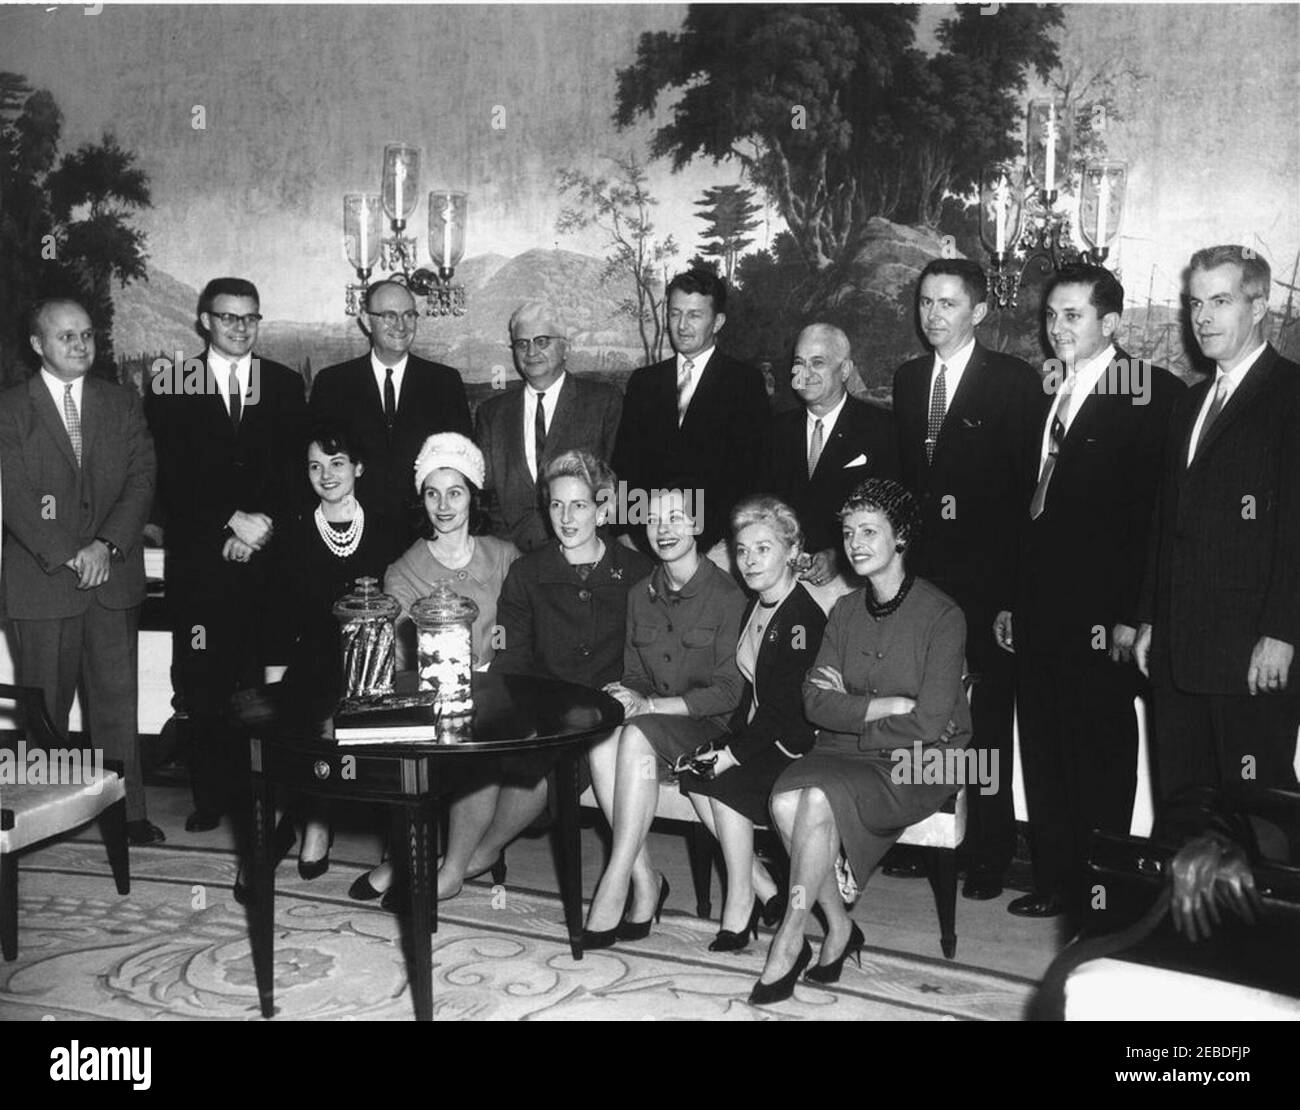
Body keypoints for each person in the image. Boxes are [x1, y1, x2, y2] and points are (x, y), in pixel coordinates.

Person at [995, 264, 1181, 919]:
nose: (1057, 328)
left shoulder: (1150, 392)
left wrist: (1135, 617)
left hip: (1105, 615)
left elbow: (1157, 516)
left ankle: (1103, 891)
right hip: (1040, 609)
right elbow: (1025, 510)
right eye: (1051, 315)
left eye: (1072, 316)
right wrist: (1014, 602)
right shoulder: (1043, 390)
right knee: (1043, 747)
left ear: (1109, 323)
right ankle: (1056, 882)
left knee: (1098, 753)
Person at [751, 479, 971, 1004]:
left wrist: (849, 711)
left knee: (816, 799)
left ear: (901, 538)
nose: (855, 543)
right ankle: (841, 925)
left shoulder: (944, 617)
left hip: (922, 760)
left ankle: (788, 937)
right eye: (848, 532)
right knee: (784, 802)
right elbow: (813, 701)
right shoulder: (845, 612)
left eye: (869, 531)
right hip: (844, 750)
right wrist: (883, 706)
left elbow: (930, 724)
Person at [890, 258, 1040, 899]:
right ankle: (923, 832)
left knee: (986, 723)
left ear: (978, 311)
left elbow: (1028, 496)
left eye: (947, 304)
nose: (933, 316)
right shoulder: (907, 379)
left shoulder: (1011, 381)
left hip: (987, 589)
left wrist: (1012, 596)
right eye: (925, 302)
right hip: (920, 588)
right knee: (926, 715)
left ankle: (989, 849)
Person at [1137, 245, 1300, 800]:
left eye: (1221, 301)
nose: (1202, 317)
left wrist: (1282, 633)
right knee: (1184, 807)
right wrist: (1150, 619)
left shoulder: (1292, 394)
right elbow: (1168, 522)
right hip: (1180, 650)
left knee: (1258, 813)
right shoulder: (1189, 402)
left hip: (1252, 650)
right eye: (1195, 303)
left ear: (1259, 306)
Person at [145, 277, 307, 834]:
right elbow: (169, 474)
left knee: (263, 682)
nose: (241, 327)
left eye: (250, 318)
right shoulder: (171, 383)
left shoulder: (283, 384)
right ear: (204, 320)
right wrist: (226, 520)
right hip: (200, 563)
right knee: (205, 680)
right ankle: (212, 798)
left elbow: (295, 476)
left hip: (267, 560)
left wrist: (262, 526)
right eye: (229, 317)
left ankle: (269, 795)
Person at [0, 297, 162, 845]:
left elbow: (142, 479)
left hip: (112, 577)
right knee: (44, 707)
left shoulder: (120, 402)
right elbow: (16, 497)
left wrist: (106, 546)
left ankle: (128, 813)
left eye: (87, 334)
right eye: (65, 336)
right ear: (37, 344)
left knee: (116, 704)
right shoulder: (10, 410)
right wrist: (71, 553)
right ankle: (37, 821)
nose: (79, 344)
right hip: (43, 582)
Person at [460, 451, 654, 894]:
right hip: (542, 706)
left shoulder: (639, 573)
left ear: (604, 508)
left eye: (580, 505)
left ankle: (474, 858)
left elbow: (649, 658)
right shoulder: (527, 573)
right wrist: (515, 716)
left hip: (607, 715)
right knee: (487, 758)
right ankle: (456, 862)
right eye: (556, 505)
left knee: (543, 765)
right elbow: (511, 659)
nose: (566, 518)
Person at [348, 432, 519, 903]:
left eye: (455, 492)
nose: (444, 505)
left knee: (523, 764)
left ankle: (462, 863)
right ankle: (411, 857)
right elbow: (401, 655)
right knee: (453, 747)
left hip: (498, 690)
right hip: (430, 697)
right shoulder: (404, 568)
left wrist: (495, 676)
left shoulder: (504, 556)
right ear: (421, 498)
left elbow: (521, 634)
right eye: (432, 492)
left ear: (473, 496)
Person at [582, 487, 746, 945]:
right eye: (654, 521)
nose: (664, 529)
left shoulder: (728, 595)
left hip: (711, 727)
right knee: (603, 738)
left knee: (634, 735)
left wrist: (650, 707)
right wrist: (626, 691)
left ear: (696, 525)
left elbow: (730, 692)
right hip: (659, 727)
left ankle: (616, 881)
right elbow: (637, 673)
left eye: (676, 518)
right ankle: (645, 880)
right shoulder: (640, 593)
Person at [676, 496, 826, 951]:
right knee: (692, 771)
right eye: (742, 550)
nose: (750, 560)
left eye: (763, 548)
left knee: (721, 784)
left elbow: (783, 710)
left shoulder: (801, 618)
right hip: (761, 735)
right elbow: (750, 695)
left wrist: (732, 755)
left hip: (794, 745)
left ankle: (738, 905)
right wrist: (722, 745)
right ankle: (766, 889)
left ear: (791, 551)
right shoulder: (753, 607)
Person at [262, 424, 404, 877]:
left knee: (368, 710)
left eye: (337, 463)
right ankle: (317, 822)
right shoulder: (293, 530)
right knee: (308, 706)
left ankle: (395, 840)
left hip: (377, 657)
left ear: (358, 468)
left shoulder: (388, 526)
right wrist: (273, 677)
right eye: (315, 466)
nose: (326, 475)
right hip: (314, 657)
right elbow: (279, 613)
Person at [612, 268, 770, 559]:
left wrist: (712, 540)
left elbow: (750, 475)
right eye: (674, 314)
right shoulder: (644, 382)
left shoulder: (744, 383)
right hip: (646, 541)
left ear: (717, 322)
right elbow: (625, 466)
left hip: (716, 546)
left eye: (695, 315)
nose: (682, 326)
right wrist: (627, 532)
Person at [309, 279, 471, 559]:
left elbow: (462, 466)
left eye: (409, 315)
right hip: (352, 535)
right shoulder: (333, 383)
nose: (401, 325)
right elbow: (318, 465)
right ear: (365, 320)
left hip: (426, 538)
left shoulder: (444, 382)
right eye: (389, 315)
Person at [475, 302, 622, 552]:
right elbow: (484, 493)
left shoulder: (603, 401)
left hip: (584, 551)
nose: (531, 351)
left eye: (542, 341)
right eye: (522, 343)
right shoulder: (493, 413)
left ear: (565, 347)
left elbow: (618, 481)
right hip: (510, 557)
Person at [769, 323, 897, 607]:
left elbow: (889, 515)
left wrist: (838, 557)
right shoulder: (775, 430)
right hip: (782, 582)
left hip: (852, 585)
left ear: (845, 370)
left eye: (818, 363)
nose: (806, 373)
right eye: (800, 363)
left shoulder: (881, 430)